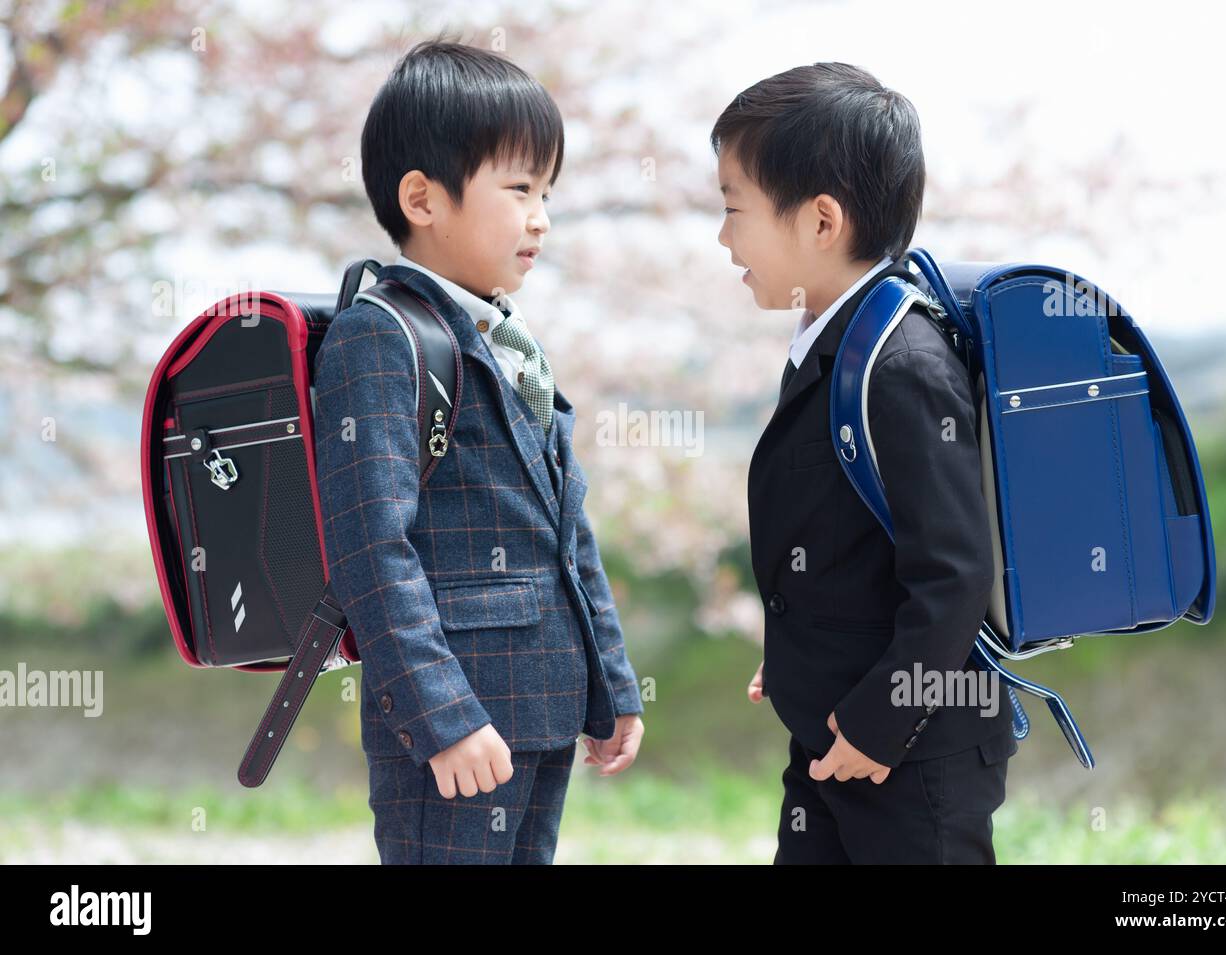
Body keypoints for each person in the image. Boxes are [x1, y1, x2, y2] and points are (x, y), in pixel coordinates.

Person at [313, 37, 644, 865]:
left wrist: (611, 684)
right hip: (455, 725)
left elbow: (568, 528)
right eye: (520, 188)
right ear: (423, 198)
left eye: (548, 192)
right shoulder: (378, 335)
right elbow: (370, 547)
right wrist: (442, 715)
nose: (541, 217)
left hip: (543, 709)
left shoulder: (509, 338)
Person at [714, 62, 1018, 864]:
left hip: (911, 755)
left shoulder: (900, 360)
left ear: (821, 221)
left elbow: (954, 572)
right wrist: (800, 649)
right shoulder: (839, 342)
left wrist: (882, 721)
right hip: (835, 734)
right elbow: (849, 537)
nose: (723, 237)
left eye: (734, 208)